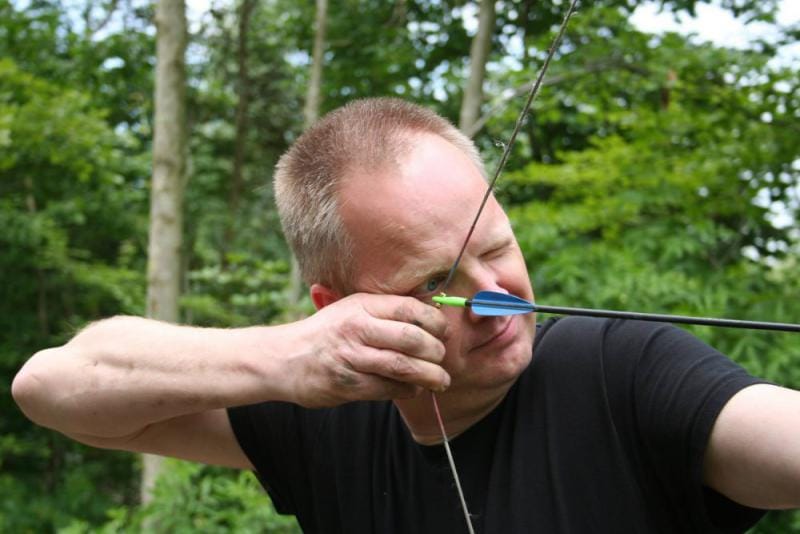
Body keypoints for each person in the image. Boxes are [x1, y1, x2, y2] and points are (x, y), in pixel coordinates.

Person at [12, 98, 800, 533]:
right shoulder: (323, 410)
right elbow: (50, 386)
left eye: (499, 246)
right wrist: (284, 361)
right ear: (338, 310)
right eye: (440, 282)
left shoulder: (621, 372)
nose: (499, 299)